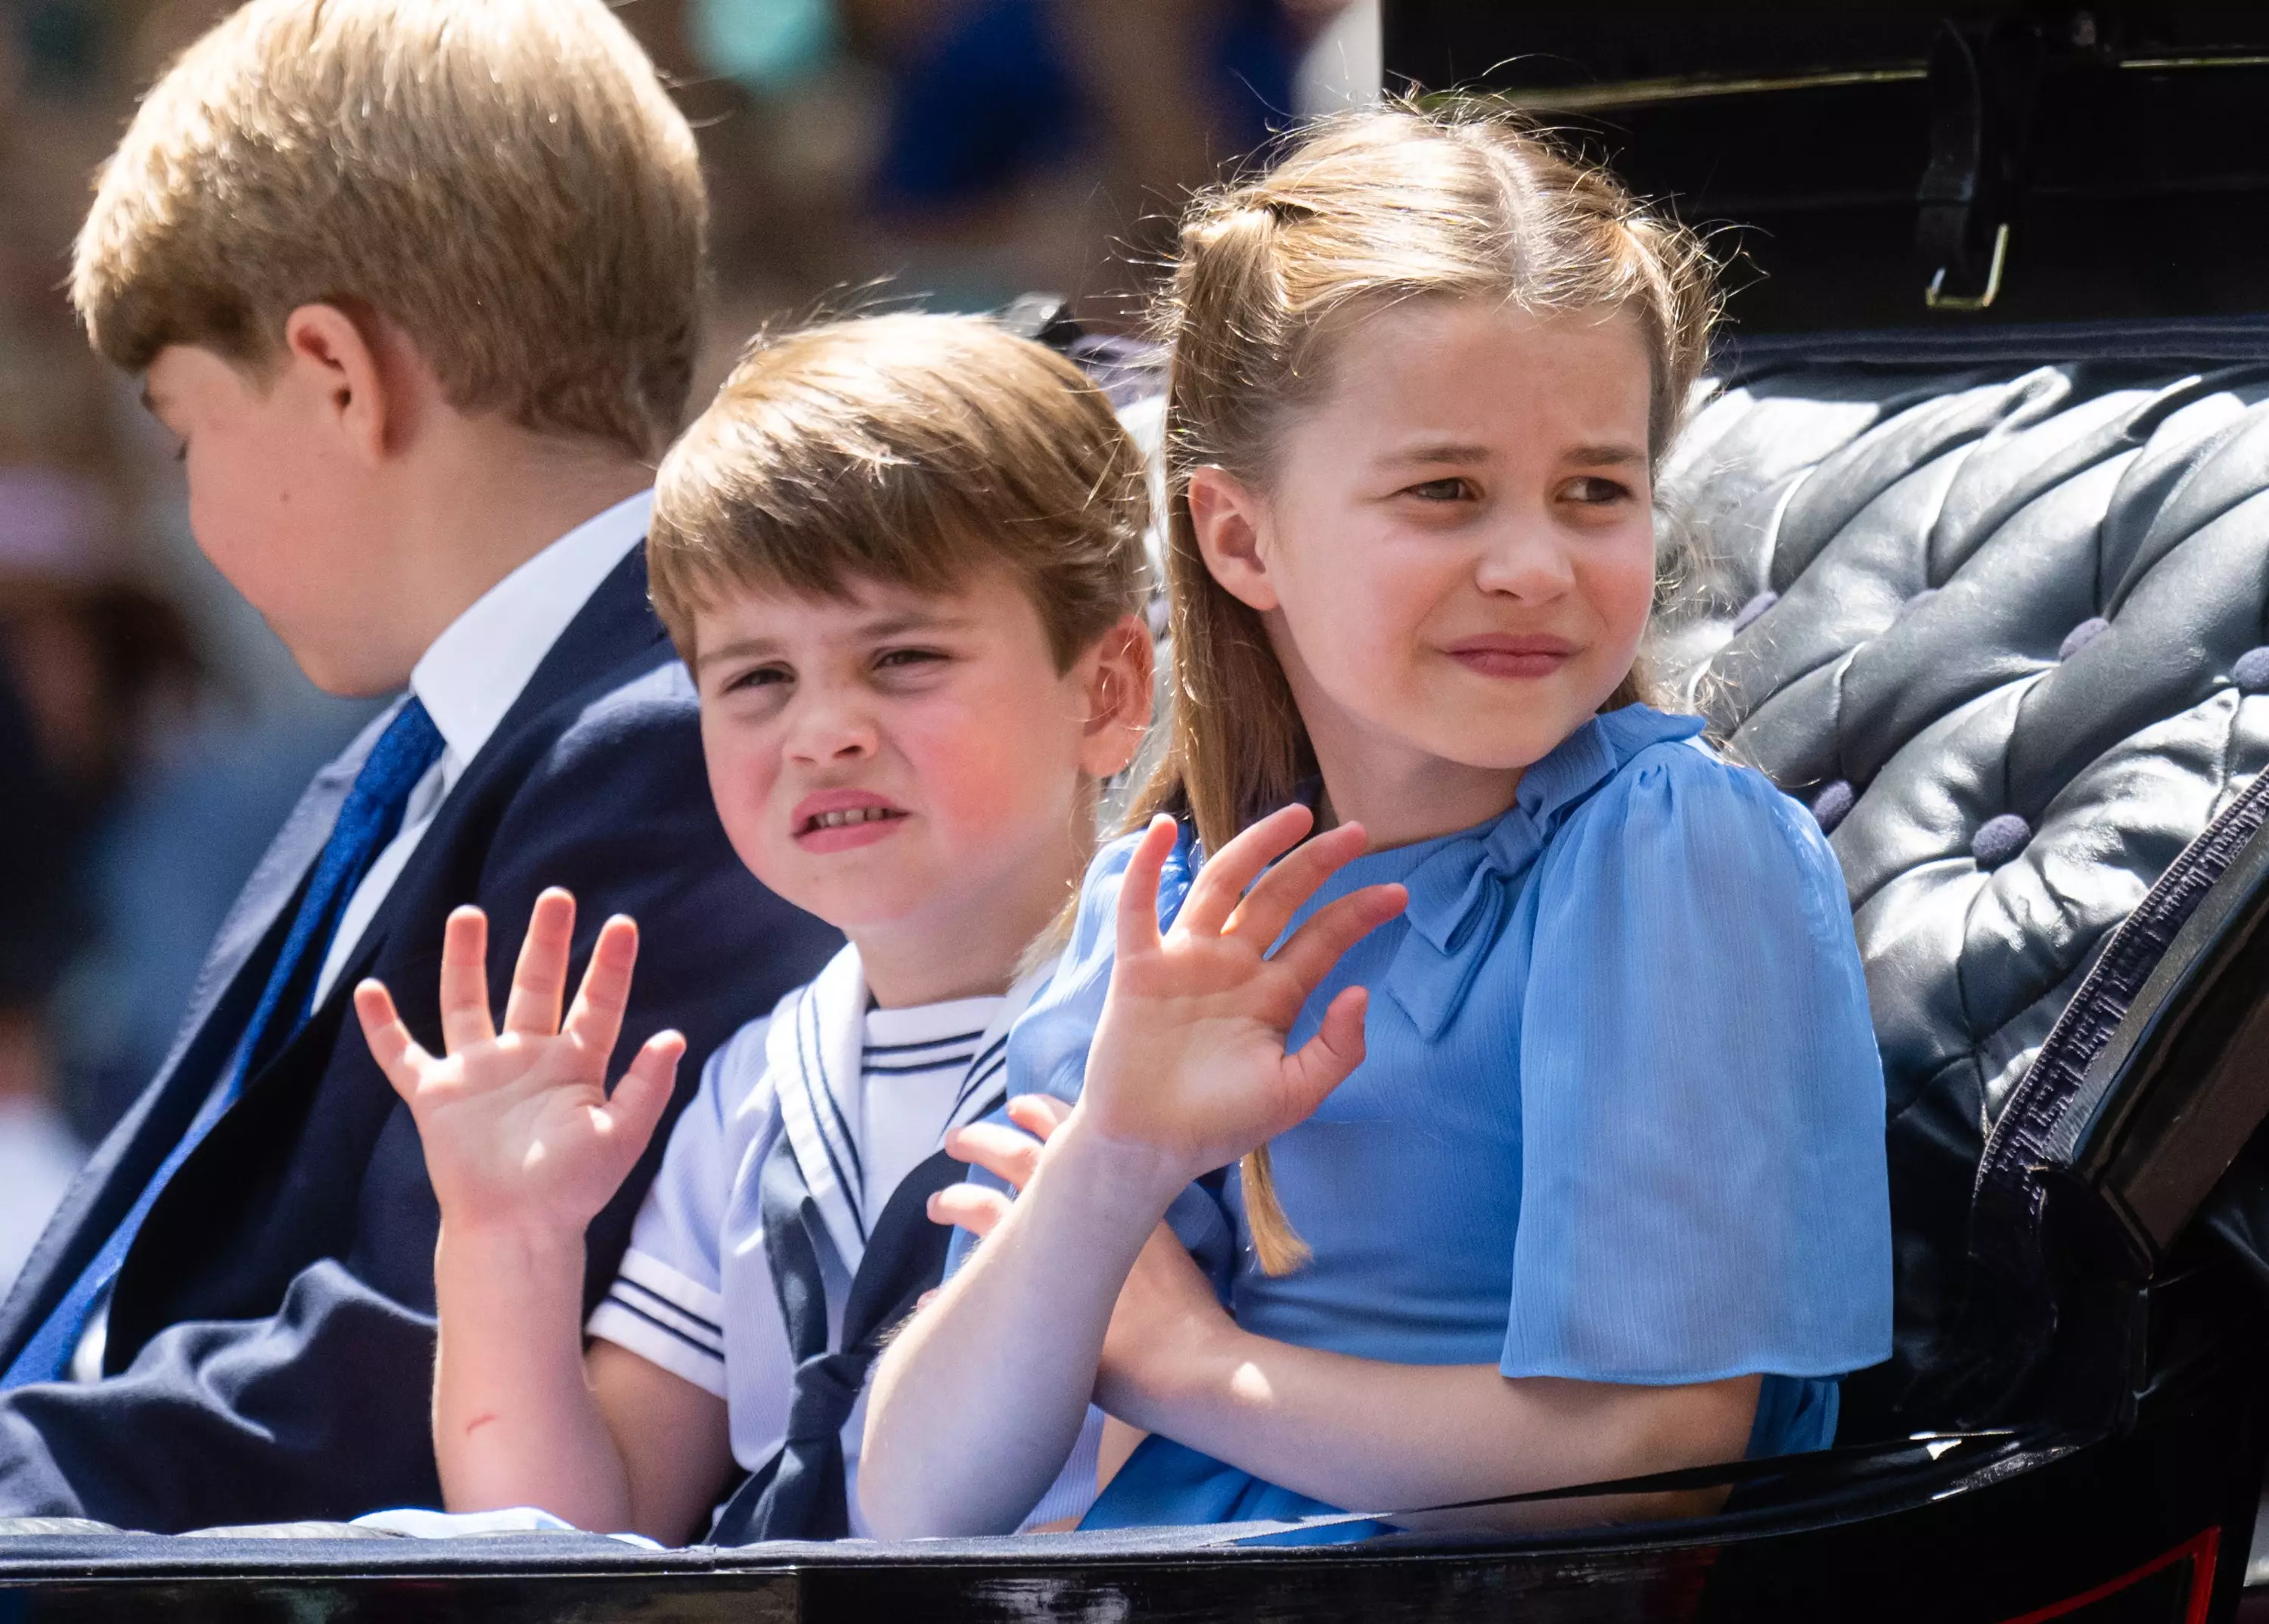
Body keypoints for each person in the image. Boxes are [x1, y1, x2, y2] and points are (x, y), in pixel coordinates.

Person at [858, 107, 1894, 1539]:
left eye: (1596, 490)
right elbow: (915, 1501)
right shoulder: (1173, 912)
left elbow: (1656, 1446)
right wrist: (1108, 1164)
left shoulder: (1663, 854)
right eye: (1445, 492)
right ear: (1241, 538)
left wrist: (1192, 1360)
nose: (1533, 563)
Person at [0, 0, 839, 1531]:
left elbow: (404, 1355)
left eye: (188, 436)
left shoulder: (672, 739)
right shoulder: (420, 752)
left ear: (337, 373)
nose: (193, 508)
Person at [354, 313, 1156, 1544]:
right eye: (755, 678)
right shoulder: (754, 1093)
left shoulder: (1179, 1039)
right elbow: (584, 1526)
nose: (822, 729)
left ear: (1107, 691)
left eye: (902, 657)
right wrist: (506, 1238)